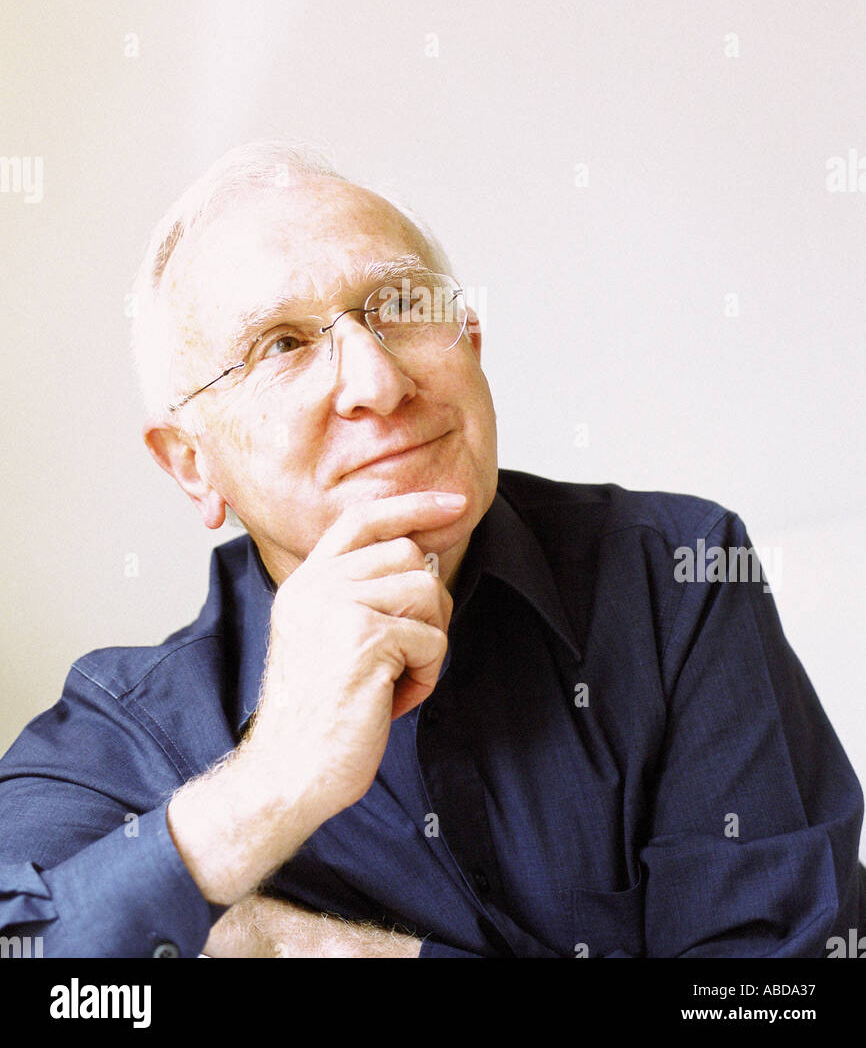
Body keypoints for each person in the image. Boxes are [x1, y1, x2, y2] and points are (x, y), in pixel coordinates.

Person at [0, 139, 862, 958]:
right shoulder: (127, 732)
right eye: (284, 345)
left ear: (471, 345)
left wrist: (297, 941)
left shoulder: (676, 574)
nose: (377, 382)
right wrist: (270, 783)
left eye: (405, 307)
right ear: (193, 465)